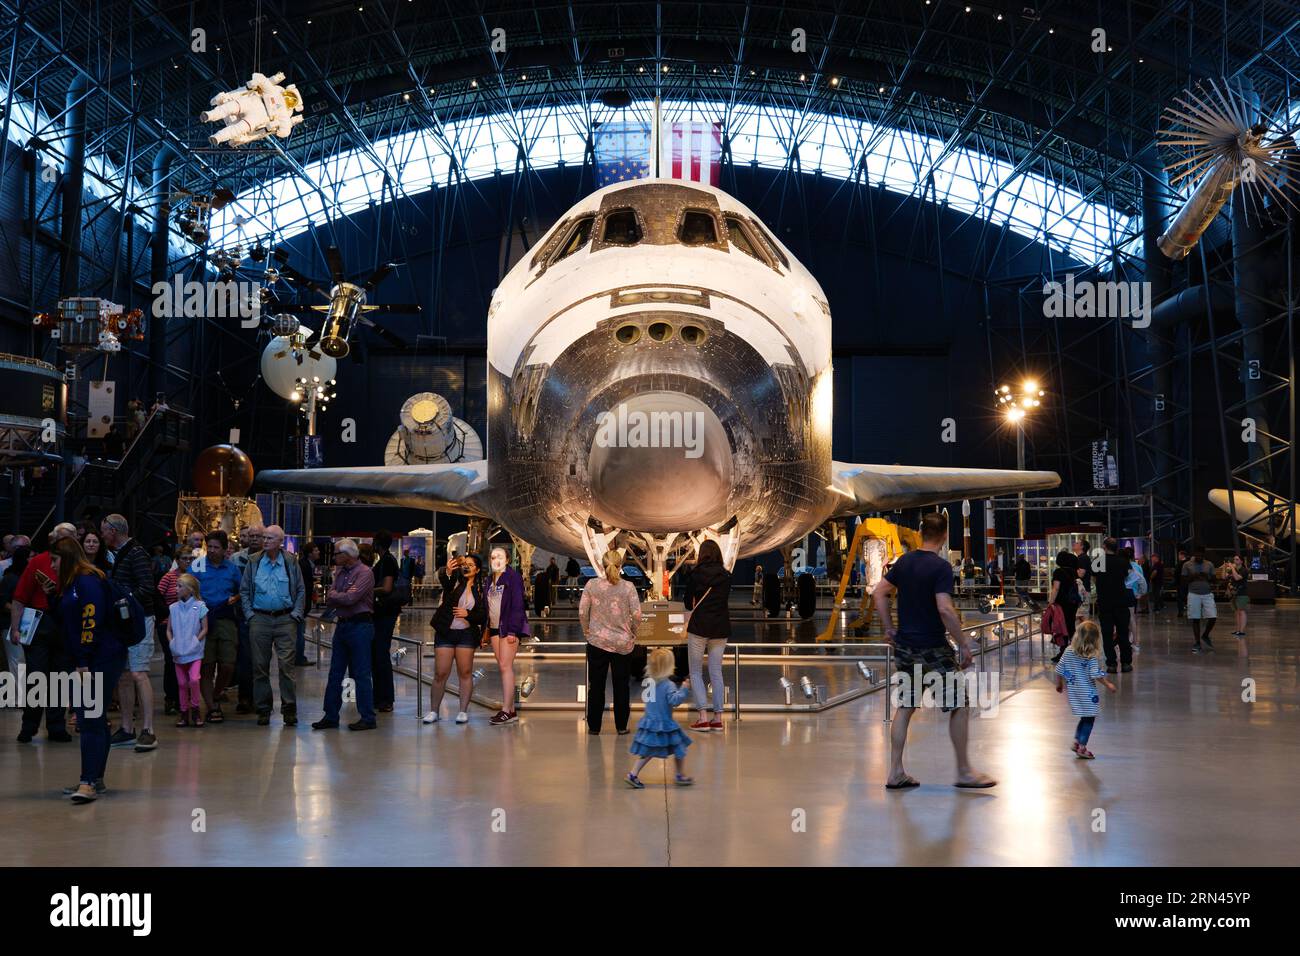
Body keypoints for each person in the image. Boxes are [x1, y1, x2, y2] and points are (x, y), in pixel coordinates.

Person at [872, 511, 995, 790]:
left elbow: (879, 593)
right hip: (933, 648)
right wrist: (963, 644)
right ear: (943, 535)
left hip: (905, 646)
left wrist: (890, 627)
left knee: (905, 706)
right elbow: (944, 608)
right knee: (959, 704)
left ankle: (895, 772)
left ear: (921, 532)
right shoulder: (940, 568)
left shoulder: (904, 563)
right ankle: (964, 771)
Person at [54, 537, 128, 803]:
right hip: (93, 658)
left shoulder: (86, 582)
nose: (51, 565)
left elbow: (90, 622)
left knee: (89, 719)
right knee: (92, 718)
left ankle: (88, 782)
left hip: (99, 658)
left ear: (66, 558)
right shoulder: (75, 583)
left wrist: (83, 661)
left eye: (54, 560)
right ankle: (94, 778)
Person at [10, 523, 79, 743]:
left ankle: (56, 726)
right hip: (41, 622)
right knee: (36, 676)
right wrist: (15, 627)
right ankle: (29, 725)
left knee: (61, 678)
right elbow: (20, 597)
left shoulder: (79, 565)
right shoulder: (39, 562)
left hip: (65, 624)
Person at [101, 514, 162, 750]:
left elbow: (148, 587)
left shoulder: (136, 553)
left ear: (114, 531)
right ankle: (126, 728)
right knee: (124, 675)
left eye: (104, 531)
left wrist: (123, 601)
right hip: (124, 622)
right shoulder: (117, 555)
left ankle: (149, 730)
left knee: (138, 672)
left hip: (140, 620)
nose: (102, 535)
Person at [239, 525, 304, 726]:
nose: (265, 541)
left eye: (270, 538)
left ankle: (289, 709)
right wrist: (250, 615)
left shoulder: (291, 561)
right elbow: (244, 591)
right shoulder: (254, 561)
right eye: (264, 537)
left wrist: (296, 614)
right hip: (260, 619)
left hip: (286, 619)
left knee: (286, 666)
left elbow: (301, 590)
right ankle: (263, 709)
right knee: (259, 666)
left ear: (280, 542)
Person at [313, 539, 377, 731]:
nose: (334, 557)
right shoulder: (340, 572)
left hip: (360, 626)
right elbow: (333, 595)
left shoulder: (365, 573)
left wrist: (336, 596)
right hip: (342, 626)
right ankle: (330, 715)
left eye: (336, 554)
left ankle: (367, 717)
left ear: (347, 555)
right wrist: (338, 597)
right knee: (335, 672)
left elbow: (350, 598)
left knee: (361, 673)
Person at [580, 548, 640, 735]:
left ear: (602, 565)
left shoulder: (591, 585)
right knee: (621, 685)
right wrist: (632, 633)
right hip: (622, 644)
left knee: (596, 686)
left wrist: (587, 631)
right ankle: (621, 726)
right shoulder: (628, 587)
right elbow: (637, 615)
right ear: (620, 565)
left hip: (597, 641)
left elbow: (582, 612)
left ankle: (594, 727)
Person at [424, 552, 485, 725]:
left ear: (477, 569)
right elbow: (446, 583)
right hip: (446, 632)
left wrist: (468, 614)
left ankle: (462, 711)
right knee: (440, 673)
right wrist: (448, 572)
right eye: (465, 564)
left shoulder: (480, 588)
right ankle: (434, 711)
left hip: (466, 634)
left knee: (465, 673)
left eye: (471, 565)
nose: (467, 567)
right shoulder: (455, 581)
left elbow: (482, 615)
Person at [192, 531, 242, 723]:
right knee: (207, 665)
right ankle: (212, 707)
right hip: (203, 619)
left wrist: (234, 599)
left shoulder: (232, 569)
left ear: (224, 549)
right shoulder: (197, 566)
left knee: (228, 664)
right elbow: (187, 587)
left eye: (216, 547)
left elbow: (242, 590)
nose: (212, 551)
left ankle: (215, 693)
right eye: (209, 547)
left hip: (226, 618)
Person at [625, 647, 692, 789]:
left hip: (650, 720)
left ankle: (634, 773)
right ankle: (678, 775)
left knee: (649, 751)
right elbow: (675, 701)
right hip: (664, 723)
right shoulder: (669, 684)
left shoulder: (649, 682)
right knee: (679, 747)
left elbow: (648, 699)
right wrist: (684, 688)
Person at [685, 539, 732, 732]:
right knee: (716, 672)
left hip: (699, 627)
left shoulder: (695, 574)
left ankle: (703, 717)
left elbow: (688, 603)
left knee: (696, 672)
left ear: (701, 554)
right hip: (720, 628)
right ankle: (718, 718)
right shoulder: (726, 576)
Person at [1054, 620, 1117, 760]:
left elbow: (1059, 668)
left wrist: (1059, 684)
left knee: (1085, 717)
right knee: (1089, 719)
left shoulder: (1068, 651)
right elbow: (1095, 674)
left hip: (1074, 692)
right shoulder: (1091, 656)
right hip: (1088, 694)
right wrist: (1108, 684)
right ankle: (1082, 747)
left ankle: (1077, 741)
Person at [485, 545, 530, 726]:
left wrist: (512, 630)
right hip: (495, 629)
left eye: (500, 556)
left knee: (505, 667)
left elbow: (518, 605)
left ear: (507, 560)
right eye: (493, 556)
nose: (496, 559)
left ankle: (506, 710)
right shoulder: (489, 579)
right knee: (503, 667)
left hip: (508, 628)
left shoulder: (513, 577)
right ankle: (510, 710)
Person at [167, 573, 208, 727]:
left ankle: (196, 709)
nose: (175, 589)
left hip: (195, 652)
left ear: (190, 589)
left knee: (194, 679)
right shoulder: (173, 608)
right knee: (182, 683)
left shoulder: (200, 607)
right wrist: (172, 643)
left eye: (179, 586)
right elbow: (169, 629)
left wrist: (195, 641)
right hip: (178, 651)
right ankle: (184, 713)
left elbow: (205, 628)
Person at [370, 531, 401, 713]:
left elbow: (387, 587)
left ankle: (386, 698)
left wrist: (368, 590)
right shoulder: (384, 560)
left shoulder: (387, 561)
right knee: (377, 655)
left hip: (385, 613)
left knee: (381, 655)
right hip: (381, 613)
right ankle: (380, 697)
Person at [1093, 538, 1133, 674]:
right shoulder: (1123, 561)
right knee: (1123, 633)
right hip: (1121, 602)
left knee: (1107, 634)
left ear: (1104, 547)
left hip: (1105, 603)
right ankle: (1126, 663)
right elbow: (1127, 577)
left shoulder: (1099, 561)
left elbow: (1094, 577)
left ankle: (1111, 664)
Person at [1, 543, 31, 677]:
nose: (33, 560)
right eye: (31, 557)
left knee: (22, 661)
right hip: (9, 625)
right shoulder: (10, 578)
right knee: (17, 661)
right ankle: (18, 695)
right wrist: (18, 611)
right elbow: (2, 602)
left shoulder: (30, 577)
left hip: (27, 625)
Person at [1182, 543, 1218, 653]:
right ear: (1194, 554)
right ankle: (1197, 642)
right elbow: (1183, 581)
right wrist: (1192, 577)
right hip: (1193, 594)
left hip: (1207, 594)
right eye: (1197, 555)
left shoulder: (1209, 564)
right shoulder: (1187, 565)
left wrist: (1208, 577)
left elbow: (1215, 580)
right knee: (1196, 618)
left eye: (1201, 556)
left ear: (1204, 555)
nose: (1199, 558)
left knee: (1213, 617)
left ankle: (1205, 635)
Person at [1047, 551, 1082, 664]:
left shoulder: (1059, 572)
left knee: (1062, 627)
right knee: (1070, 625)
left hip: (1062, 603)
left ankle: (1064, 652)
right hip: (1073, 602)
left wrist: (1050, 602)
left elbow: (1056, 588)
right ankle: (1073, 650)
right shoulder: (1073, 572)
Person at [296, 542, 319, 665]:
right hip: (301, 604)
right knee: (299, 631)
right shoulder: (304, 565)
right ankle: (299, 658)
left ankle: (299, 656)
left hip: (303, 603)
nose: (318, 552)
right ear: (310, 553)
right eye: (316, 550)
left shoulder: (307, 564)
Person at [1226, 554, 1248, 637]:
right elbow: (1224, 576)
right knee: (1236, 612)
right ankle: (1238, 630)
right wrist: (1225, 567)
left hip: (1242, 593)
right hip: (1234, 593)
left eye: (1237, 559)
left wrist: (1231, 568)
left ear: (1241, 561)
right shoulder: (1233, 569)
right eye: (1234, 559)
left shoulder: (1244, 570)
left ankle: (1241, 631)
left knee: (1241, 611)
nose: (1235, 561)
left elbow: (1237, 578)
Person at [1173, 548, 1189, 618]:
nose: (1178, 557)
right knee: (1187, 598)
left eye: (1179, 555)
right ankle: (1190, 612)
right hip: (1187, 583)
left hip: (1180, 583)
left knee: (1180, 598)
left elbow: (1176, 574)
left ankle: (1180, 612)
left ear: (1182, 555)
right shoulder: (1189, 563)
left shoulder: (1180, 564)